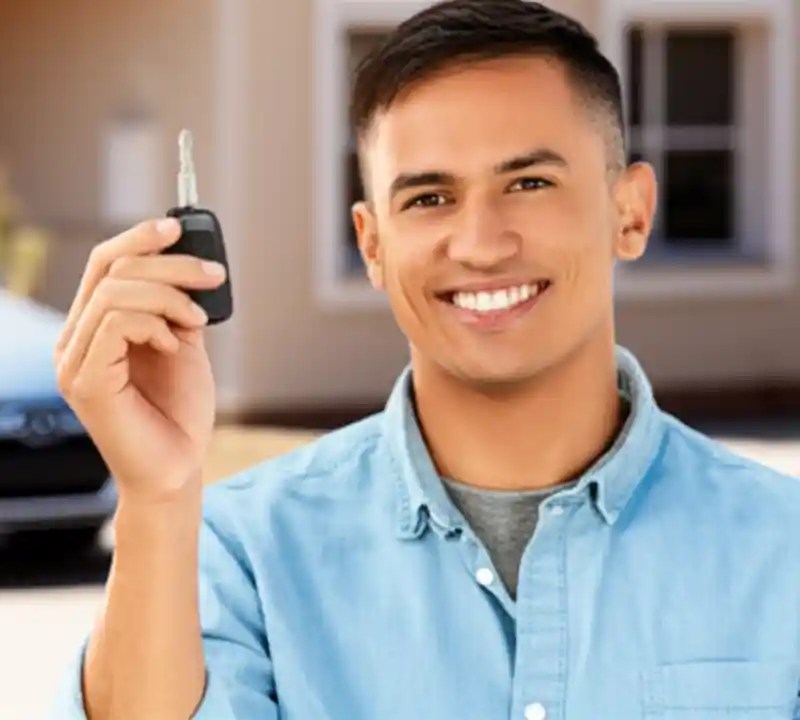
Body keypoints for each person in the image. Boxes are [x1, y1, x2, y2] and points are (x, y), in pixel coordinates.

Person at [51, 0, 800, 717]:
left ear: (629, 212)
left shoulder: (782, 549)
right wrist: (156, 495)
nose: (479, 244)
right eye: (429, 199)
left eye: (529, 183)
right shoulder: (244, 552)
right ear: (372, 244)